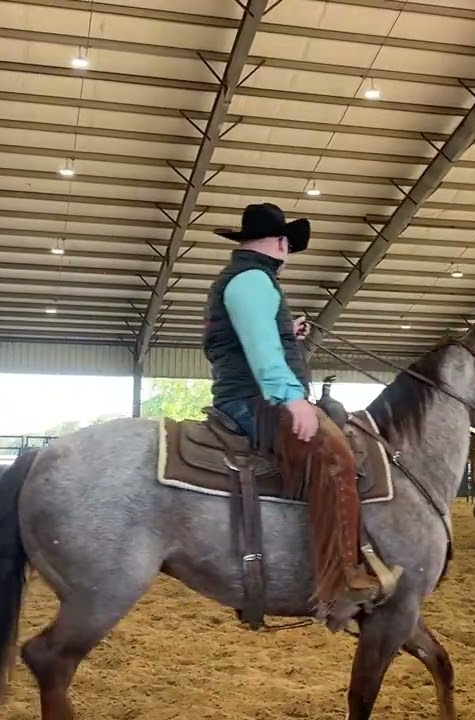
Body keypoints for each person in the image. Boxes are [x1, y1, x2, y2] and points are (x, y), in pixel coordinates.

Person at [203, 202, 401, 617]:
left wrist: (287, 331)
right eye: (288, 245)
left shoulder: (244, 278)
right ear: (280, 242)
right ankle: (343, 578)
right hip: (254, 400)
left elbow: (253, 334)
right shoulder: (254, 279)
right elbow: (260, 347)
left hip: (245, 394)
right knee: (337, 458)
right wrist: (292, 399)